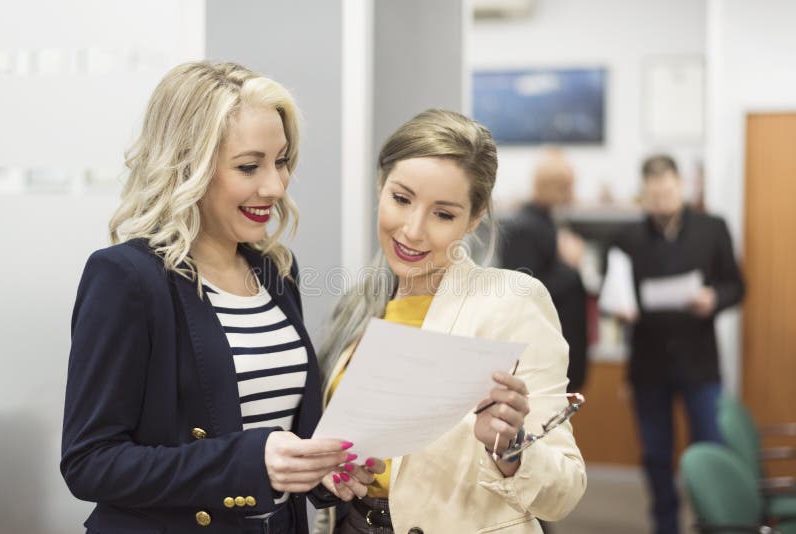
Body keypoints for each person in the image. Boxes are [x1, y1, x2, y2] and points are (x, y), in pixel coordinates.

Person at [60, 61, 379, 534]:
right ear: (187, 167)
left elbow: (282, 432)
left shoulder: (274, 270)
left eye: (281, 161)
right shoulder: (126, 278)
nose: (275, 186)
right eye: (249, 166)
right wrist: (248, 462)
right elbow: (89, 462)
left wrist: (322, 469)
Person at [314, 110, 587, 533]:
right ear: (381, 187)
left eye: (443, 214)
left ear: (474, 218)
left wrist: (511, 448)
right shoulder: (358, 303)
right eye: (401, 199)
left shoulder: (512, 304)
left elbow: (565, 492)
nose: (413, 230)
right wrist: (333, 469)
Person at [612, 154, 745, 534]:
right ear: (644, 195)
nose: (661, 201)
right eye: (653, 196)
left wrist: (714, 298)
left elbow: (737, 286)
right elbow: (613, 292)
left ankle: (716, 525)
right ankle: (665, 525)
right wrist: (620, 308)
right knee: (656, 456)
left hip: (700, 363)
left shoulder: (712, 228)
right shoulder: (627, 239)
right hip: (648, 365)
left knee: (710, 448)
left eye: (667, 192)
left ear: (680, 186)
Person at [499, 148, 589, 392]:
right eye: (567, 186)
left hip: (557, 352)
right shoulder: (524, 227)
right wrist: (569, 267)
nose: (572, 193)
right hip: (543, 357)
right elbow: (526, 291)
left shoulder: (545, 221)